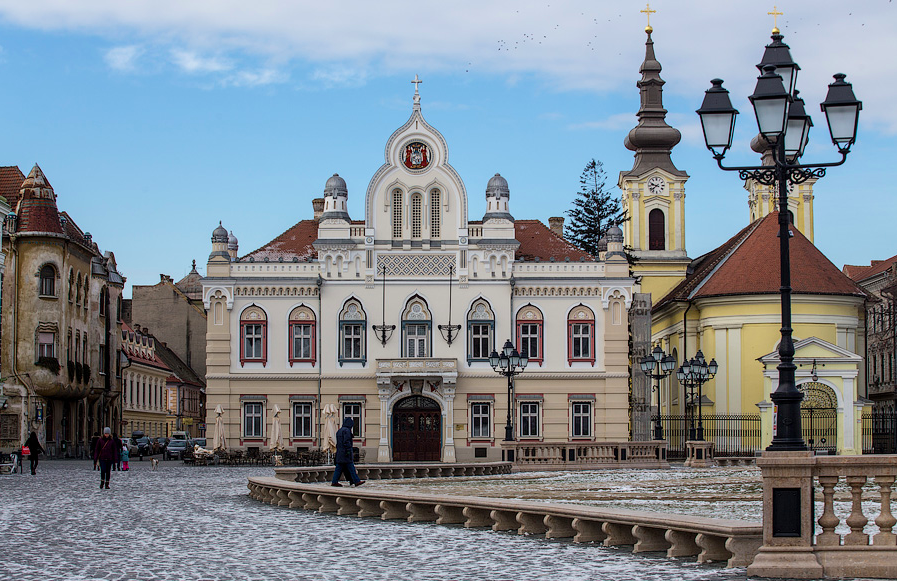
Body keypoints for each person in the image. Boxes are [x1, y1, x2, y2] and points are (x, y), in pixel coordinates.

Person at [331, 417, 364, 487]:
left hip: (339, 453)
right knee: (351, 467)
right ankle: (356, 481)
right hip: (345, 453)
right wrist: (349, 451)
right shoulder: (347, 431)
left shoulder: (339, 431)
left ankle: (334, 481)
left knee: (339, 468)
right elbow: (346, 442)